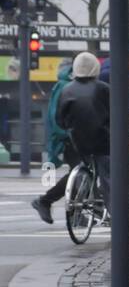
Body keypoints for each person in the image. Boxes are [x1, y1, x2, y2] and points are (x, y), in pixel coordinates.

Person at [53, 52, 112, 213]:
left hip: (78, 142)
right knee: (109, 178)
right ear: (95, 68)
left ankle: (81, 200)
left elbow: (60, 119)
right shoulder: (103, 89)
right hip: (102, 142)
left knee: (82, 168)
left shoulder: (66, 90)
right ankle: (119, 217)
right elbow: (114, 115)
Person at [30, 60, 76, 223]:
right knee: (78, 174)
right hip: (70, 138)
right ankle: (45, 201)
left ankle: (79, 212)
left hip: (72, 137)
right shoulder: (65, 86)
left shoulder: (67, 85)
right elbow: (56, 117)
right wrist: (66, 134)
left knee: (81, 174)